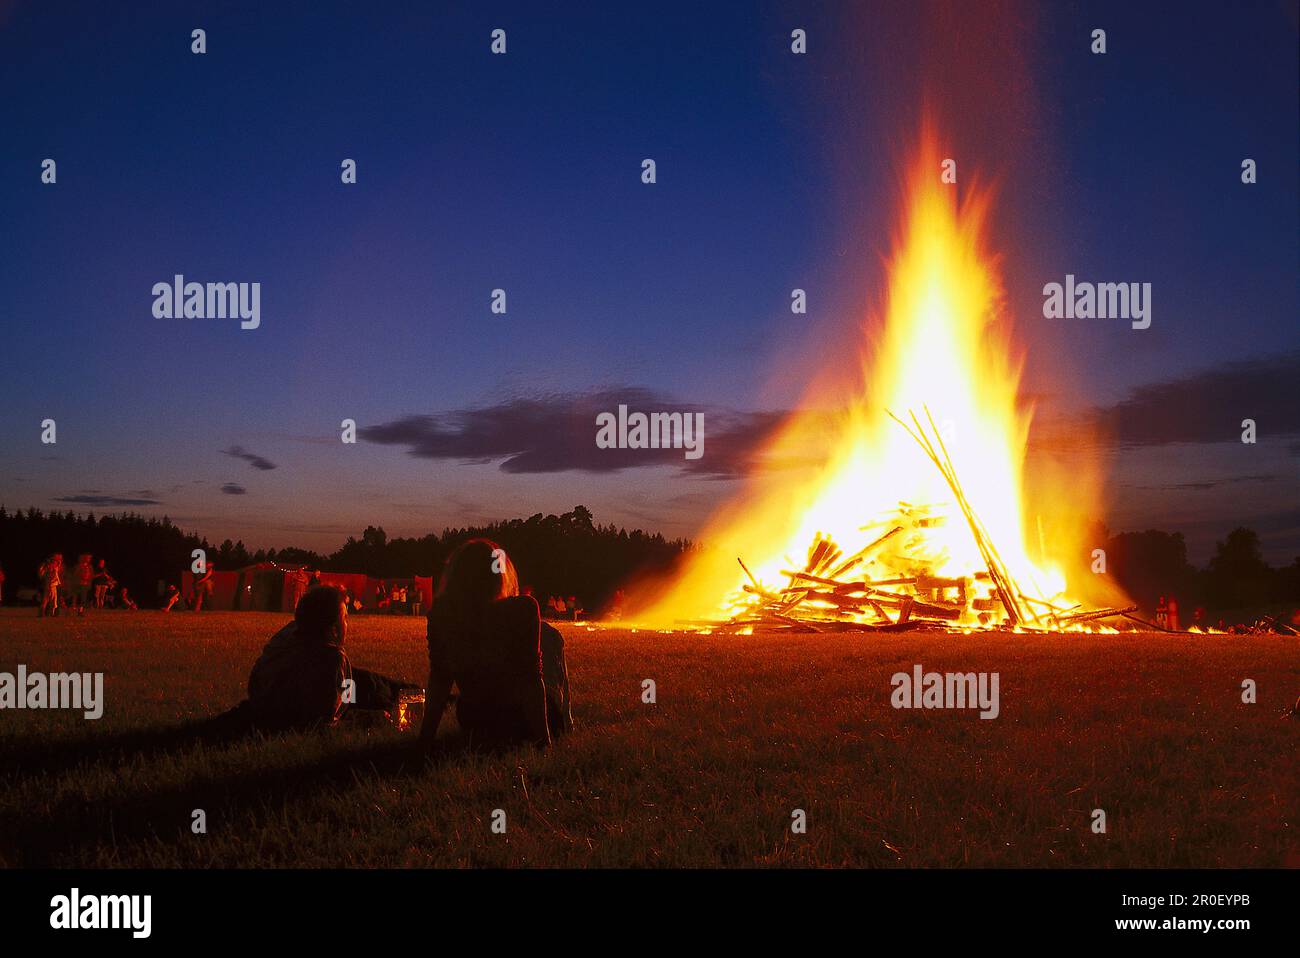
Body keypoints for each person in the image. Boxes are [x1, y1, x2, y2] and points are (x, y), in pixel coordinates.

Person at [420, 539, 572, 752]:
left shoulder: (442, 612)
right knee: (551, 637)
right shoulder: (523, 608)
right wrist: (544, 742)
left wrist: (425, 739)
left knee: (546, 633)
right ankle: (567, 715)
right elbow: (531, 681)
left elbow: (440, 680)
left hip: (475, 718)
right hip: (521, 719)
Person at [243, 585, 414, 732]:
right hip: (331, 690)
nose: (348, 624)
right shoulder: (330, 659)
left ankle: (402, 692)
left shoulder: (286, 637)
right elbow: (322, 722)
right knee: (373, 689)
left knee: (365, 680)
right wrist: (365, 720)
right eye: (345, 618)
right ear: (334, 629)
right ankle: (408, 695)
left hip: (332, 686)